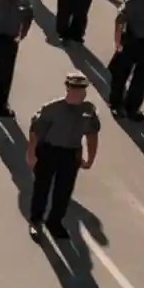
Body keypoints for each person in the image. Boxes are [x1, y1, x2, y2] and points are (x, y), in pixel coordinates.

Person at [27, 72, 99, 240]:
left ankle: (55, 222)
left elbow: (92, 134)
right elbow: (35, 132)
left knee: (64, 191)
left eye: (81, 89)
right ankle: (35, 221)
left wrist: (90, 158)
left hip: (71, 153)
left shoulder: (88, 110)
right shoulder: (52, 109)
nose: (78, 92)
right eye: (74, 88)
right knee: (42, 188)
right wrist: (31, 153)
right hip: (49, 151)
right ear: (67, 88)